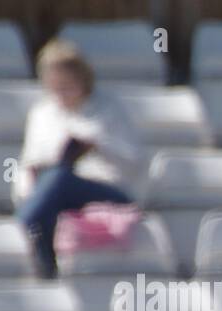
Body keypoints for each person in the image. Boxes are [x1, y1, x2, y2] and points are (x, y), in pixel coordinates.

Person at [15, 40, 144, 278]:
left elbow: (134, 163)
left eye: (67, 86)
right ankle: (48, 269)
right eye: (55, 87)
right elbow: (27, 164)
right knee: (54, 182)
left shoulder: (110, 108)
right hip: (53, 194)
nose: (61, 94)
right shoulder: (41, 113)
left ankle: (21, 228)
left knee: (58, 179)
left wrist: (97, 146)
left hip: (107, 188)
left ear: (83, 79)